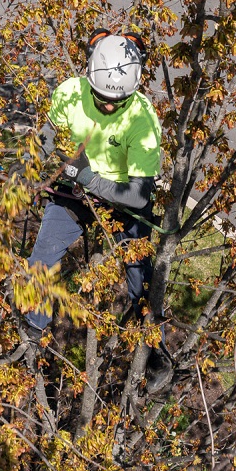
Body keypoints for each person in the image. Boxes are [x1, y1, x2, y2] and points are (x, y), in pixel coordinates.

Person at [21, 29, 171, 387]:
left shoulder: (143, 121)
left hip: (120, 199)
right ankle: (31, 326)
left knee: (140, 276)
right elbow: (48, 135)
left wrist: (90, 178)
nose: (106, 106)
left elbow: (138, 197)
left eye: (114, 102)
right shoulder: (70, 93)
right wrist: (26, 166)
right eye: (101, 97)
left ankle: (155, 353)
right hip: (75, 189)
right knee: (42, 255)